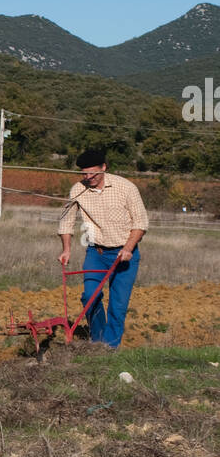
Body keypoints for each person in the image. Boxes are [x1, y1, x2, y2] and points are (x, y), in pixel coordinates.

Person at [58, 149, 148, 350]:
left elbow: (141, 223)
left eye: (93, 173)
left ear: (104, 168)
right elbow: (66, 221)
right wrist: (66, 250)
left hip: (125, 255)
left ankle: (110, 348)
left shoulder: (125, 188)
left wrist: (128, 248)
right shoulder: (77, 190)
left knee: (118, 305)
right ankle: (97, 342)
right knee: (90, 296)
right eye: (84, 174)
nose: (88, 177)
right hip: (96, 253)